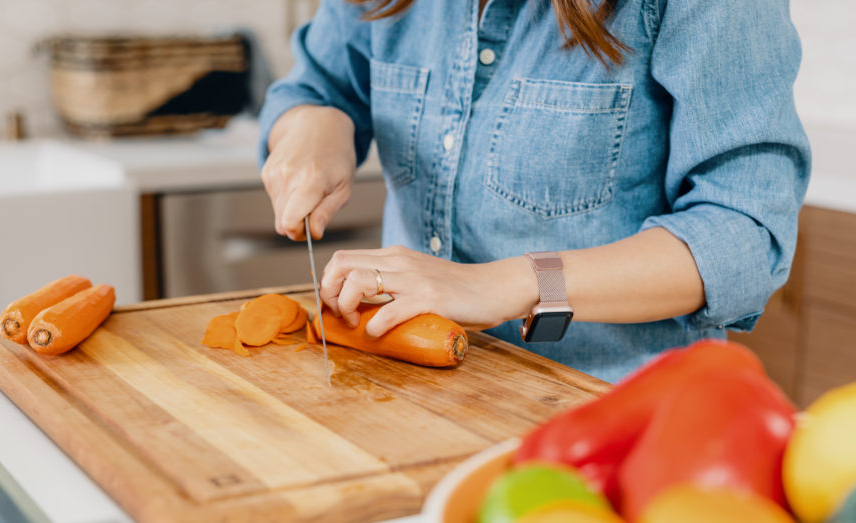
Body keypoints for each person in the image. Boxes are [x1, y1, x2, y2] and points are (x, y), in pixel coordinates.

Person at [257, 0, 810, 383]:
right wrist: (313, 123)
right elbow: (316, 84)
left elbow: (745, 234)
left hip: (611, 413)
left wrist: (506, 283)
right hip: (409, 399)